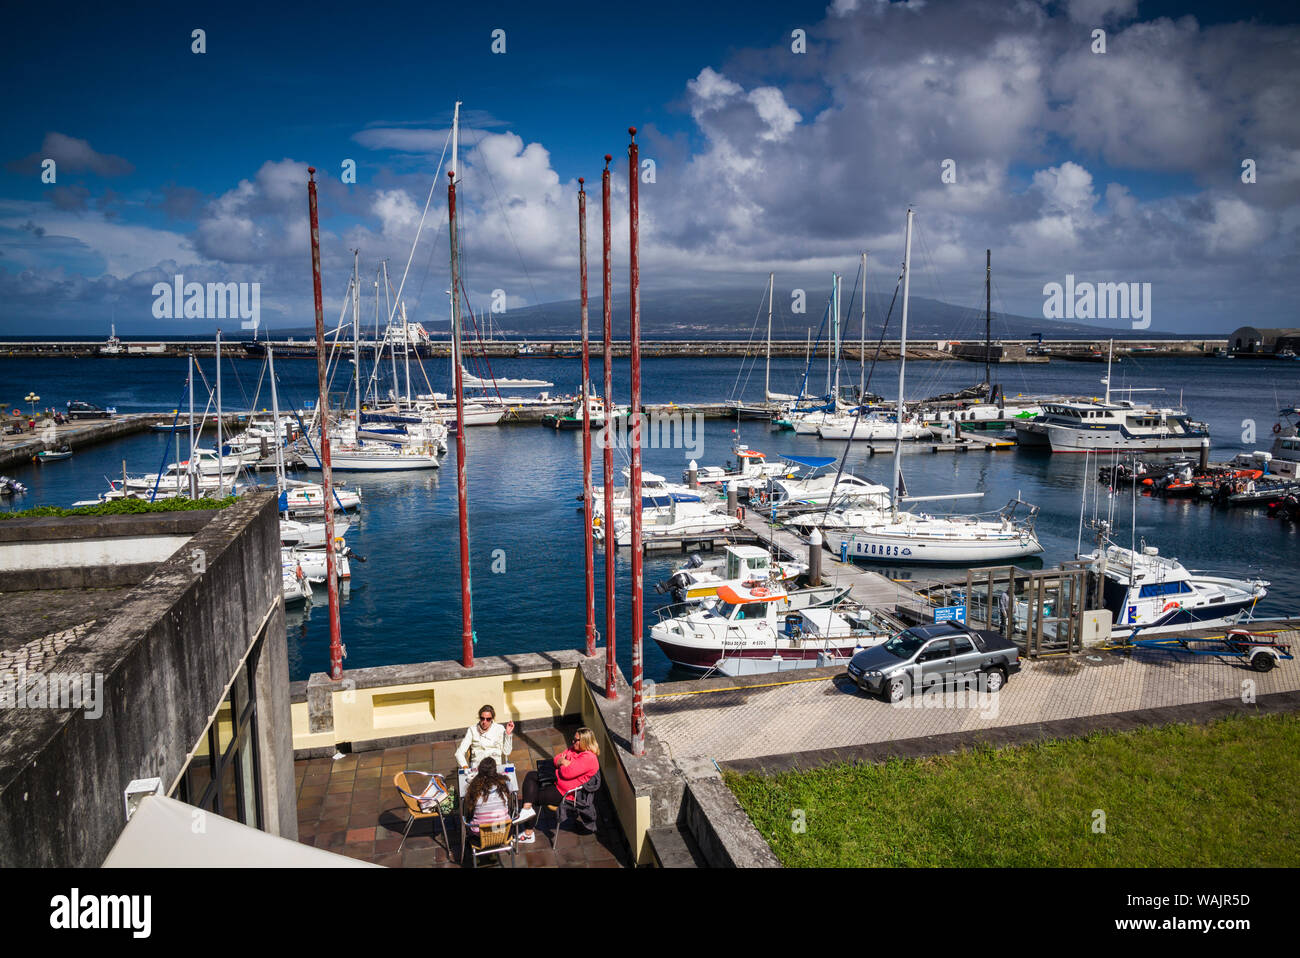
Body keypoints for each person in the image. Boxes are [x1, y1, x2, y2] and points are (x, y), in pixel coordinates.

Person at [515, 727, 600, 844]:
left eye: (576, 740)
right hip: (556, 780)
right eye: (573, 739)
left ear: (585, 741)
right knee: (531, 775)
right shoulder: (574, 749)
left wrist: (562, 764)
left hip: (565, 793)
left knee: (532, 796)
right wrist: (563, 763)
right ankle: (527, 808)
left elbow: (567, 774)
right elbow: (555, 759)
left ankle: (528, 832)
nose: (573, 742)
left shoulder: (589, 758)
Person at [462, 757, 513, 841]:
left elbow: (468, 803)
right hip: (504, 833)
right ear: (495, 771)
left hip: (479, 837)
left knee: (469, 814)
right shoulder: (504, 785)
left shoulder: (474, 788)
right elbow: (511, 789)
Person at [455, 704, 514, 769]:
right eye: (482, 718)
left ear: (492, 719)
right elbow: (459, 753)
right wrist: (465, 767)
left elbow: (507, 752)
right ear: (479, 717)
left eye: (488, 719)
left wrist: (508, 734)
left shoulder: (499, 729)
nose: (484, 722)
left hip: (495, 767)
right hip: (478, 767)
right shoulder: (472, 730)